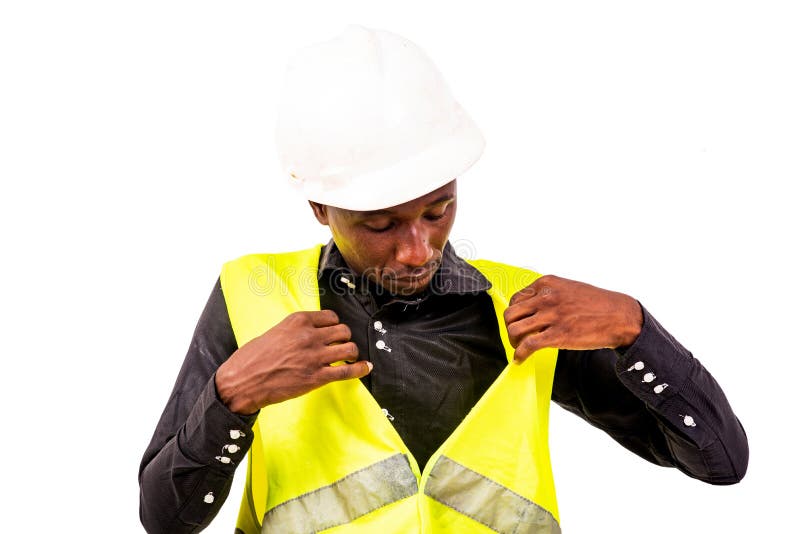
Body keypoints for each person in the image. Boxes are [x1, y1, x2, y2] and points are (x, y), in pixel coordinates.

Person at [139, 26, 748, 533]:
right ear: (320, 208)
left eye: (438, 209)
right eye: (381, 223)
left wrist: (636, 331)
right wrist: (231, 398)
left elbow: (720, 461)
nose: (416, 249)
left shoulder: (527, 312)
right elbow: (165, 520)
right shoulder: (252, 295)